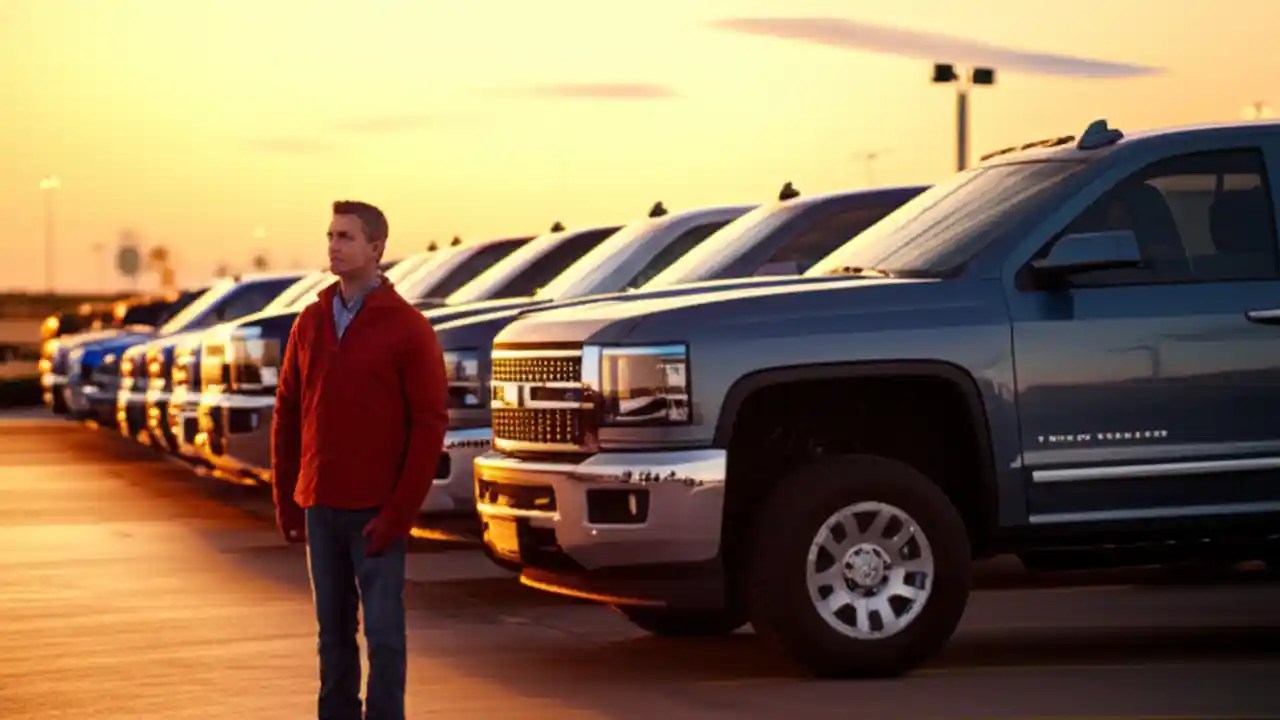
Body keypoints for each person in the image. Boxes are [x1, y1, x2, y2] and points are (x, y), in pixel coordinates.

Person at [271, 200, 448, 720]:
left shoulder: (408, 327)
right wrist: (288, 500)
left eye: (346, 237)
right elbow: (287, 413)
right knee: (333, 638)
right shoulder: (309, 322)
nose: (333, 245)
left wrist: (399, 515)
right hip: (321, 507)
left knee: (385, 637)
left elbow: (429, 425)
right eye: (330, 235)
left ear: (376, 248)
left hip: (376, 513)